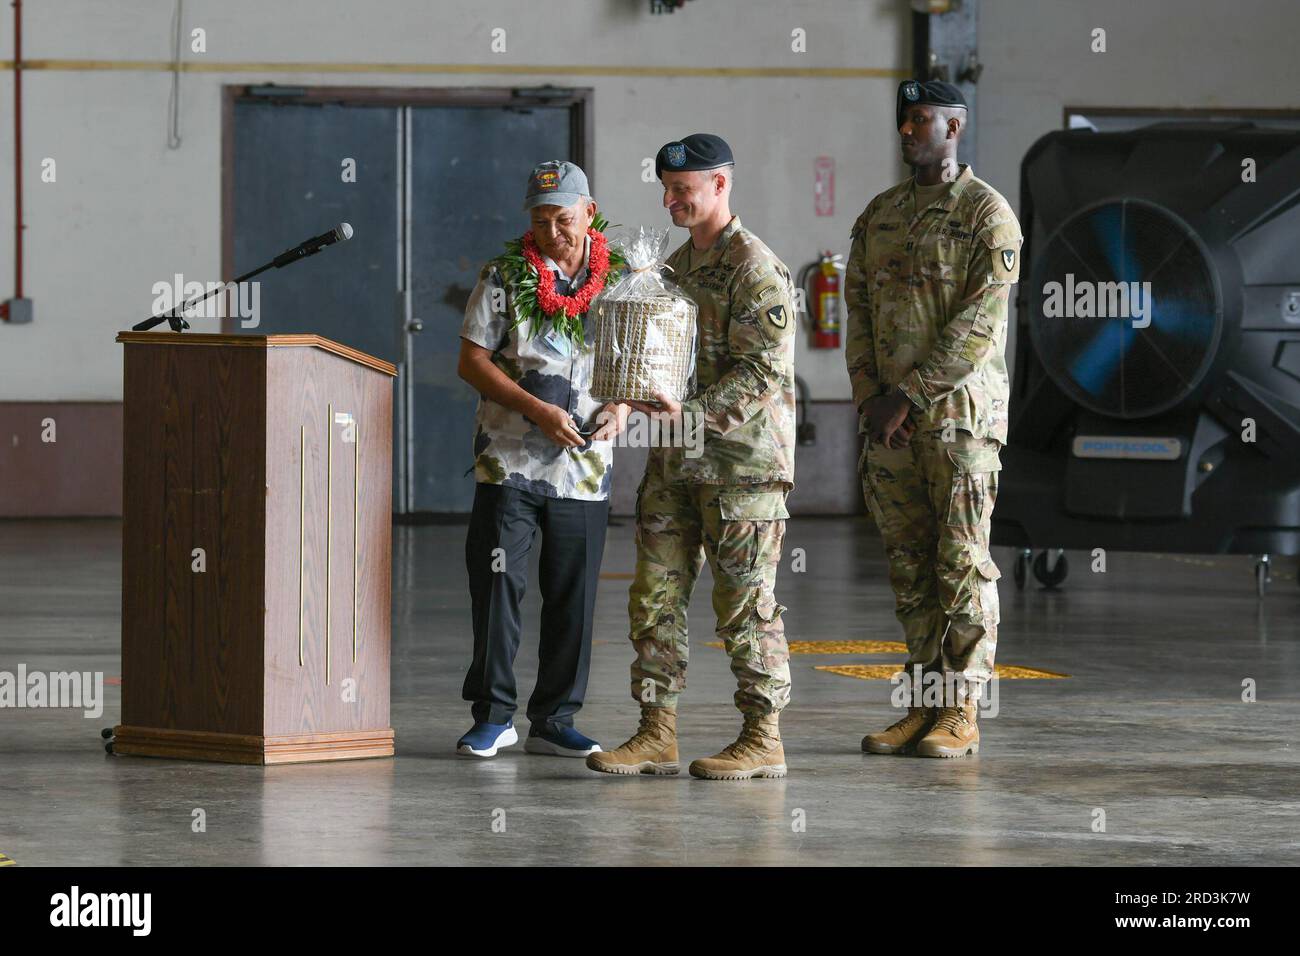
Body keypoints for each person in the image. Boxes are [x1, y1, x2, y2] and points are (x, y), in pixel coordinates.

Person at [587, 134, 797, 781]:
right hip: (675, 465)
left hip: (741, 470)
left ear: (721, 187)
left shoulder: (755, 268)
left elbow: (763, 369)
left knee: (743, 604)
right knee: (653, 597)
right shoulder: (671, 272)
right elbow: (648, 361)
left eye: (685, 189)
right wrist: (619, 409)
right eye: (667, 188)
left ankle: (763, 738)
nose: (671, 198)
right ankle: (657, 732)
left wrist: (692, 418)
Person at [845, 81, 1022, 758]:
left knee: (961, 566)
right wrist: (869, 399)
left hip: (957, 423)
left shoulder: (987, 215)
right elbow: (856, 312)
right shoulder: (879, 215)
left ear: (956, 129)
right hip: (889, 426)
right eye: (905, 121)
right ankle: (921, 707)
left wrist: (907, 397)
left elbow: (979, 325)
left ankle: (962, 712)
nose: (910, 131)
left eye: (924, 120)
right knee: (909, 568)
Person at [455, 160, 629, 759]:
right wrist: (535, 410)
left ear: (590, 211)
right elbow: (471, 361)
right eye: (539, 219)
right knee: (499, 583)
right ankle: (494, 714)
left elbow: (639, 365)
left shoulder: (625, 279)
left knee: (573, 595)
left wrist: (624, 410)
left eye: (563, 218)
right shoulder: (504, 274)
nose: (552, 231)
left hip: (586, 464)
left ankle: (555, 718)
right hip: (510, 460)